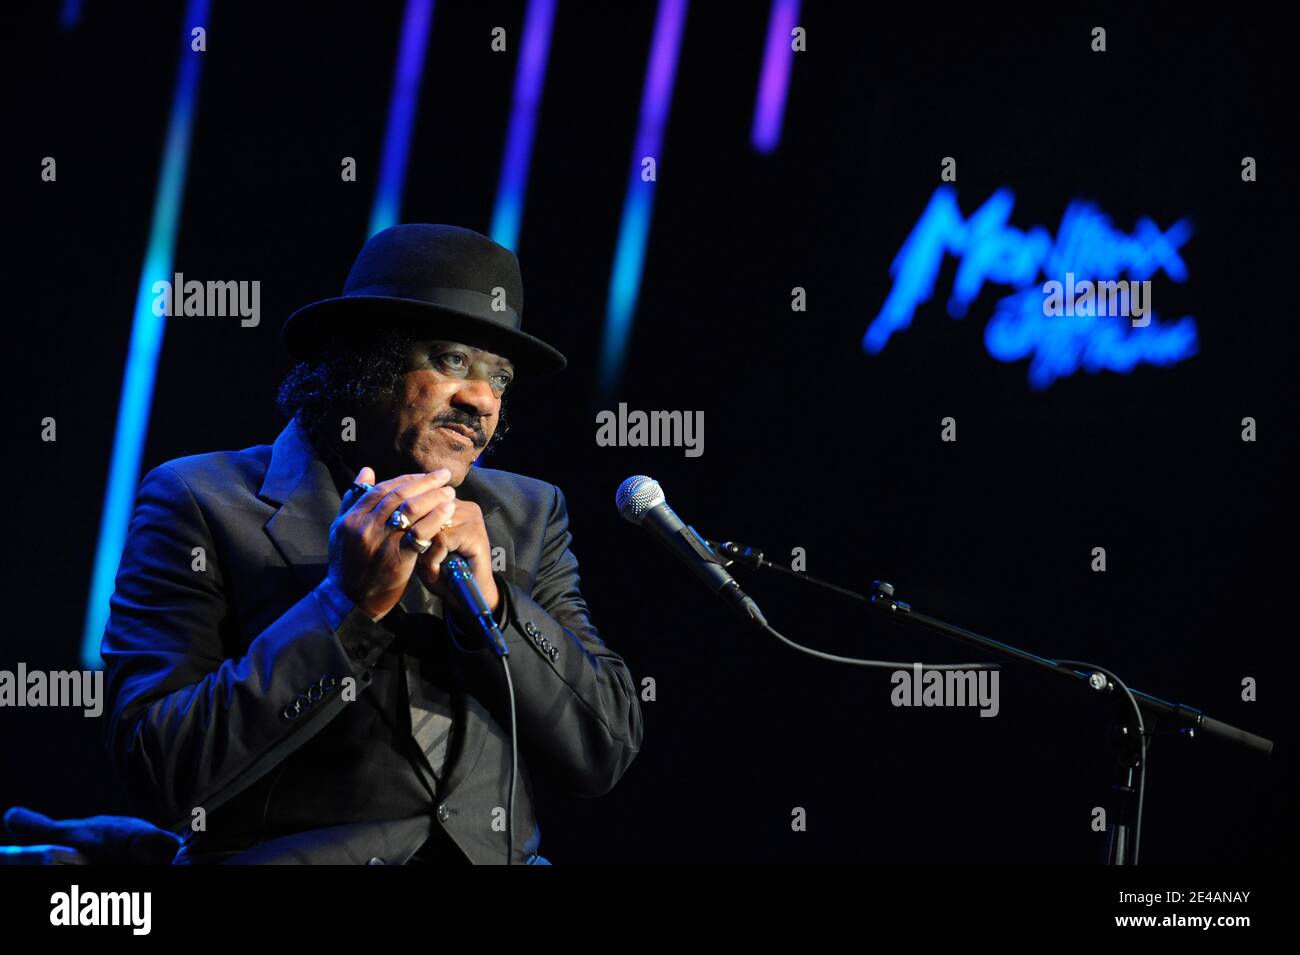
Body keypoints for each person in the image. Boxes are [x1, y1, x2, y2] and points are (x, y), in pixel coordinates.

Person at [101, 224, 643, 864]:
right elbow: (159, 766)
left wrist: (498, 609)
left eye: (500, 378)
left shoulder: (528, 513)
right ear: (364, 360)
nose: (481, 400)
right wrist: (344, 604)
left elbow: (606, 747)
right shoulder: (200, 499)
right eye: (450, 361)